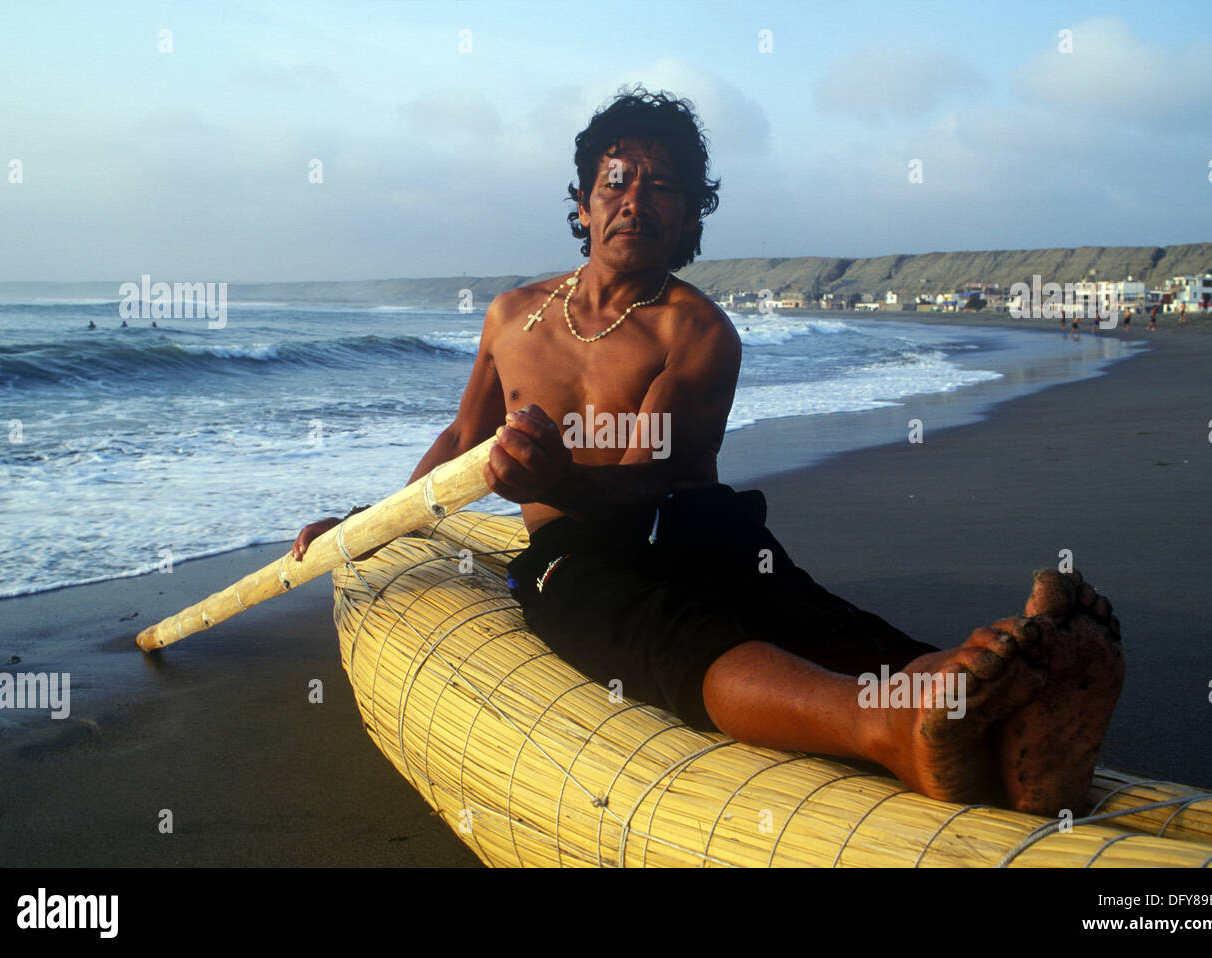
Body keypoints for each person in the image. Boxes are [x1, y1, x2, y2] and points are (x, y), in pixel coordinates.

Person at [292, 87, 1123, 816]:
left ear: (690, 218)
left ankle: (997, 691)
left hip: (682, 524)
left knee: (806, 616)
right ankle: (954, 715)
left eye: (663, 188)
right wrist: (373, 524)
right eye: (617, 180)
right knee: (660, 627)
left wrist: (551, 477)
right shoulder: (511, 316)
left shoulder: (695, 332)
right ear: (582, 201)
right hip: (580, 551)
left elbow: (648, 487)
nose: (635, 200)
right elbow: (459, 443)